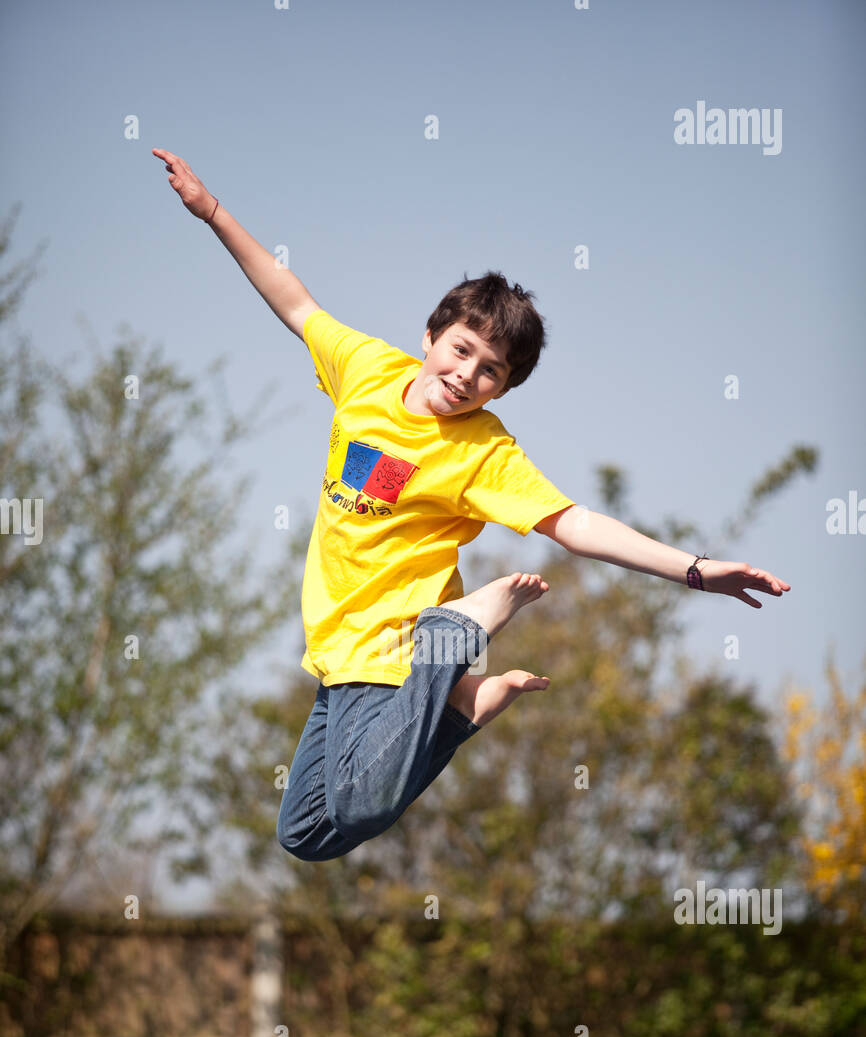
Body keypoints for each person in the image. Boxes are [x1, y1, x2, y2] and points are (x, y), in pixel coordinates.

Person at [153, 149, 791, 862]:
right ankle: (460, 707)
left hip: (395, 647)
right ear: (430, 337)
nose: (466, 375)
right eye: (461, 351)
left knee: (360, 800)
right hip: (337, 649)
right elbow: (294, 300)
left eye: (491, 372)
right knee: (304, 832)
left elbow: (575, 524)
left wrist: (695, 569)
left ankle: (456, 638)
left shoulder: (484, 452)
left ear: (502, 390)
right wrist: (213, 214)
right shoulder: (365, 369)